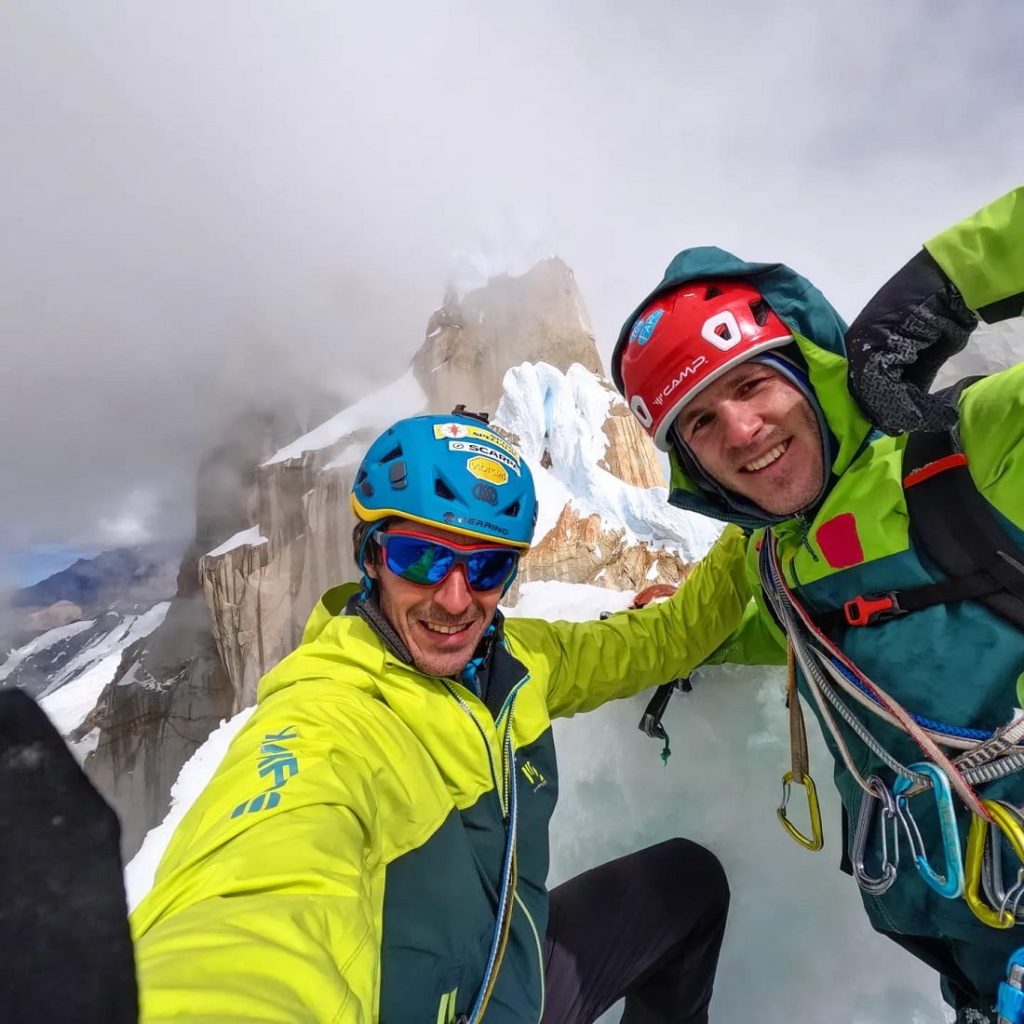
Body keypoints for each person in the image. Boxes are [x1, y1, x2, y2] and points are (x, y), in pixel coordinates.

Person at [130, 411, 752, 1023]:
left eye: (485, 567)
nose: (455, 600)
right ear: (371, 558)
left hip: (515, 983)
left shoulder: (517, 659)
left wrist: (753, 519)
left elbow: (666, 640)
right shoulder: (329, 713)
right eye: (421, 559)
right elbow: (253, 903)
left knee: (687, 887)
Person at [612, 186, 1024, 1022]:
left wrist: (947, 279)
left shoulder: (979, 446)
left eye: (755, 384)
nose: (742, 430)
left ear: (811, 369)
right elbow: (763, 636)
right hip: (974, 969)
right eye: (700, 420)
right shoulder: (777, 565)